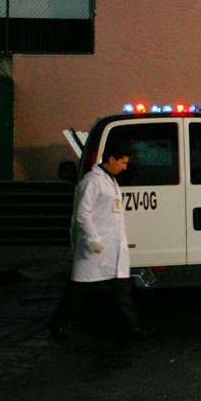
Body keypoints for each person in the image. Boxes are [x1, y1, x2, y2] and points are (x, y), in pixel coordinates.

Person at [49, 142, 148, 340]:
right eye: (123, 162)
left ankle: (132, 329)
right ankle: (57, 325)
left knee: (122, 293)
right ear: (111, 159)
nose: (125, 167)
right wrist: (93, 238)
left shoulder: (110, 180)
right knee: (79, 290)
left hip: (113, 247)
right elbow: (83, 213)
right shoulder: (92, 181)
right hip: (96, 247)